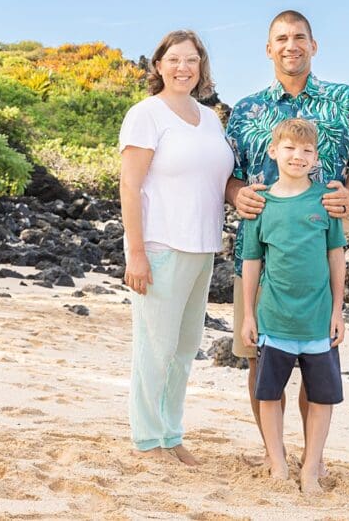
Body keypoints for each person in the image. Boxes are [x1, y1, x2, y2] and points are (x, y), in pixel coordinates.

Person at [225, 10, 349, 466]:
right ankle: (274, 454)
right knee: (258, 358)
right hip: (258, 253)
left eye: (299, 37)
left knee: (314, 361)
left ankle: (313, 456)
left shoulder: (344, 100)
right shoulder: (246, 109)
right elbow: (227, 175)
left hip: (316, 255)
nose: (291, 45)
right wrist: (236, 195)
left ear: (314, 45)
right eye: (281, 39)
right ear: (269, 49)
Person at [119, 29, 235, 466]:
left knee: (185, 349)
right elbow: (130, 186)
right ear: (159, 65)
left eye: (192, 60)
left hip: (203, 247)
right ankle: (148, 438)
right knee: (155, 347)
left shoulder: (210, 119)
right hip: (161, 244)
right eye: (174, 59)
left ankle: (171, 433)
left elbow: (216, 181)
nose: (183, 67)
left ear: (201, 67)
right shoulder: (146, 114)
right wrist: (136, 252)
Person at [239, 118, 346, 493]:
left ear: (316, 156)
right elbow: (251, 262)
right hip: (274, 319)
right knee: (268, 393)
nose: (297, 156)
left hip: (318, 321)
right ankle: (278, 462)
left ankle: (311, 467)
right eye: (289, 148)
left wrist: (338, 311)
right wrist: (248, 314)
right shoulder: (260, 204)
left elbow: (337, 257)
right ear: (273, 151)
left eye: (306, 151)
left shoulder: (325, 201)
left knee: (321, 397)